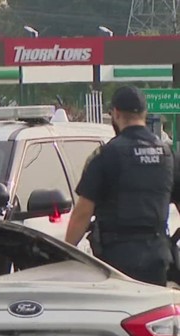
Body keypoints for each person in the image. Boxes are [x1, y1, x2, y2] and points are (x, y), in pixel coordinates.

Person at [66, 85, 180, 285]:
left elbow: (82, 212)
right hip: (157, 257)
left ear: (115, 114)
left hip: (115, 261)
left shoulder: (106, 156)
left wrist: (66, 253)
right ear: (145, 113)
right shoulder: (168, 155)